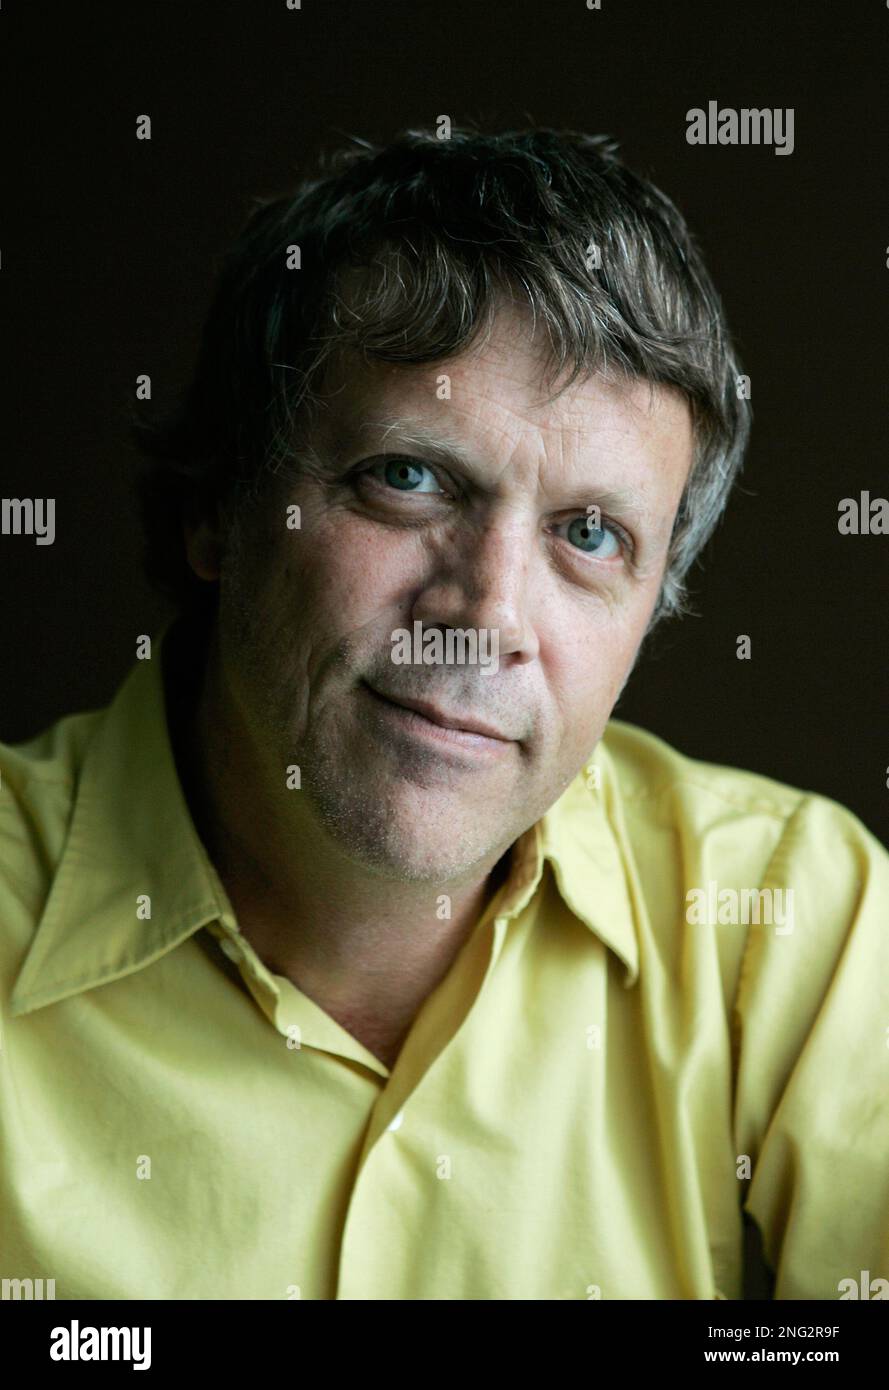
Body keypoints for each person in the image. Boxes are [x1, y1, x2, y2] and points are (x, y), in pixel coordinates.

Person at [1, 127, 887, 1302]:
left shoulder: (792, 920)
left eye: (588, 535)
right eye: (409, 477)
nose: (487, 613)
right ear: (219, 508)